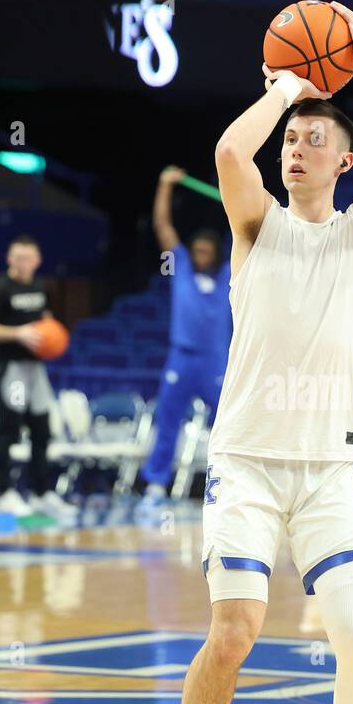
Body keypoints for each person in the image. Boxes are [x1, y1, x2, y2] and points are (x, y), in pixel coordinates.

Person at [142, 0, 353, 704]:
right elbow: (232, 152)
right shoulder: (255, 224)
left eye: (312, 139)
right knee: (234, 633)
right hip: (248, 464)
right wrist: (286, 88)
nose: (294, 148)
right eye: (290, 139)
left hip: (330, 470)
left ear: (344, 160)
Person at [140, 166, 232, 502]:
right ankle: (155, 484)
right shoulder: (180, 268)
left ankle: (229, 484)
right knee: (168, 421)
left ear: (216, 253)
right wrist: (165, 185)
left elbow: (248, 236)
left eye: (207, 251)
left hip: (216, 361)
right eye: (197, 251)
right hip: (182, 357)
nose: (201, 256)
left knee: (229, 425)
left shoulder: (229, 274)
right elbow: (162, 226)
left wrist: (237, 197)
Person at [0, 235, 74, 519]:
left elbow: (46, 322)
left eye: (27, 258)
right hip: (12, 369)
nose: (22, 263)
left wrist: (51, 337)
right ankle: (5, 492)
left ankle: (41, 493)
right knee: (9, 431)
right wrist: (17, 333)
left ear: (37, 261)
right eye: (17, 257)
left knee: (42, 431)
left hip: (35, 370)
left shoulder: (40, 287)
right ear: (9, 259)